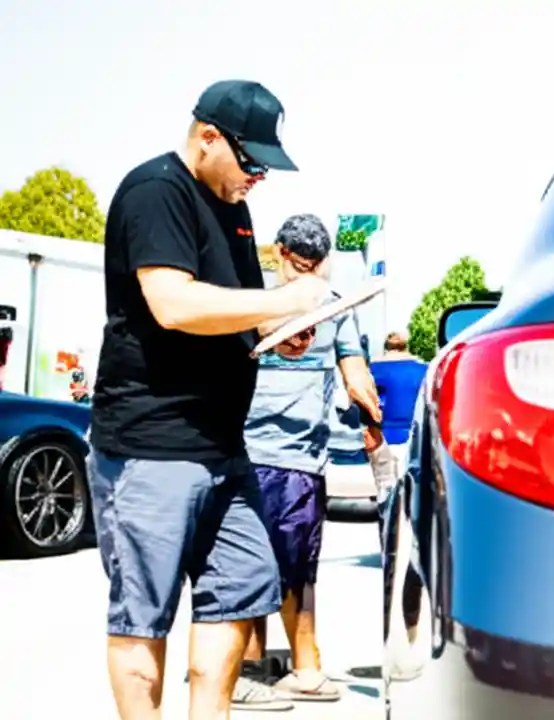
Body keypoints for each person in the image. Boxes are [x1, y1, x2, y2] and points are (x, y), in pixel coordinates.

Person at [88, 80, 329, 720]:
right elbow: (173, 303)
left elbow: (233, 312)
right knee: (144, 612)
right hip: (152, 446)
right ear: (208, 138)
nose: (259, 177)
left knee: (244, 584)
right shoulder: (157, 192)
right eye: (250, 162)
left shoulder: (237, 211)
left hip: (223, 447)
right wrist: (283, 299)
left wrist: (275, 334)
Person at [233, 213, 382, 709]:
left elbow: (356, 371)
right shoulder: (250, 302)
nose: (311, 277)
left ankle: (277, 664)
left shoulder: (336, 307)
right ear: (278, 254)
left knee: (295, 563)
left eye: (319, 266)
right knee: (260, 561)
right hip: (247, 449)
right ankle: (291, 666)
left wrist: (371, 417)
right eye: (302, 266)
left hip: (300, 457)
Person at [370, 332, 428, 470]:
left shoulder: (372, 369)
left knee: (384, 484)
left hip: (381, 437)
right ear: (406, 347)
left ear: (386, 348)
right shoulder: (424, 369)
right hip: (414, 437)